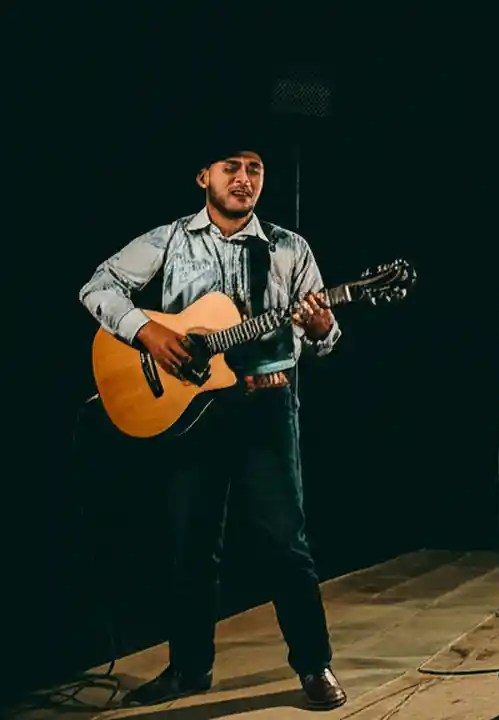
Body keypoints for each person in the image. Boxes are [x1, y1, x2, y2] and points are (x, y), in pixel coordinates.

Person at [78, 137, 348, 710]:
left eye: (255, 169)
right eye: (232, 167)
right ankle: (188, 670)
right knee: (190, 547)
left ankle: (314, 667)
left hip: (267, 408)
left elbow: (322, 339)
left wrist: (323, 326)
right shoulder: (171, 239)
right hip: (189, 414)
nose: (244, 178)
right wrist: (148, 332)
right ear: (204, 176)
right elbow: (96, 287)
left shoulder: (287, 247)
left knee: (285, 545)